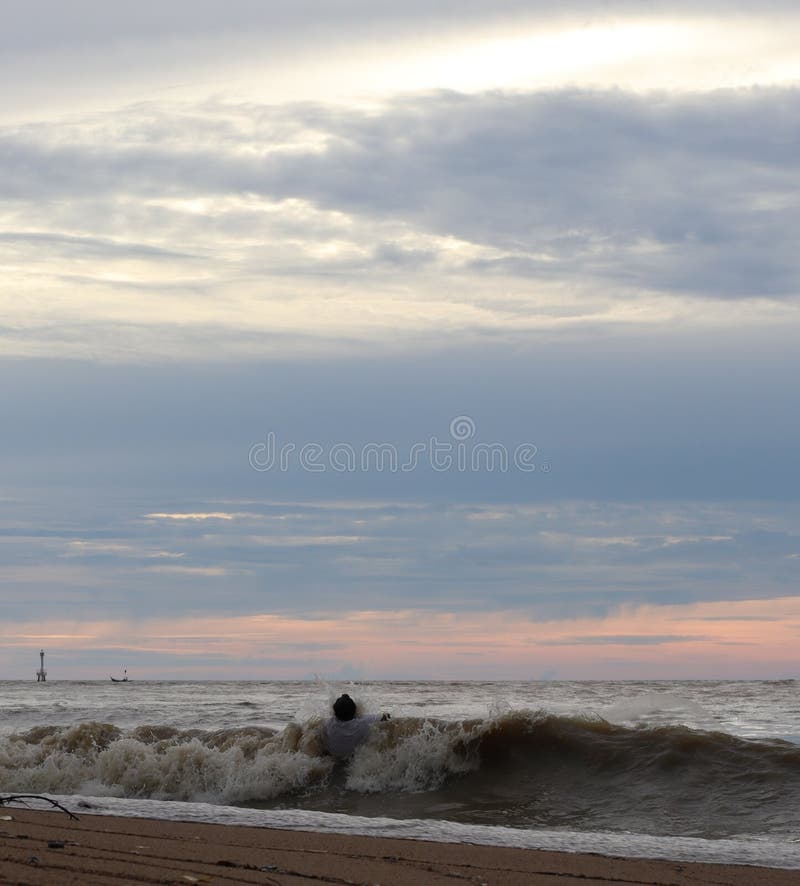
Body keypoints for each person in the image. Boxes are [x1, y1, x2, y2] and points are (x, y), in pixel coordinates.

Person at [323, 693, 389, 758]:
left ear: (335, 712)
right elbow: (386, 716)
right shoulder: (364, 721)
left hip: (334, 756)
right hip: (354, 758)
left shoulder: (328, 724)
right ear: (354, 711)